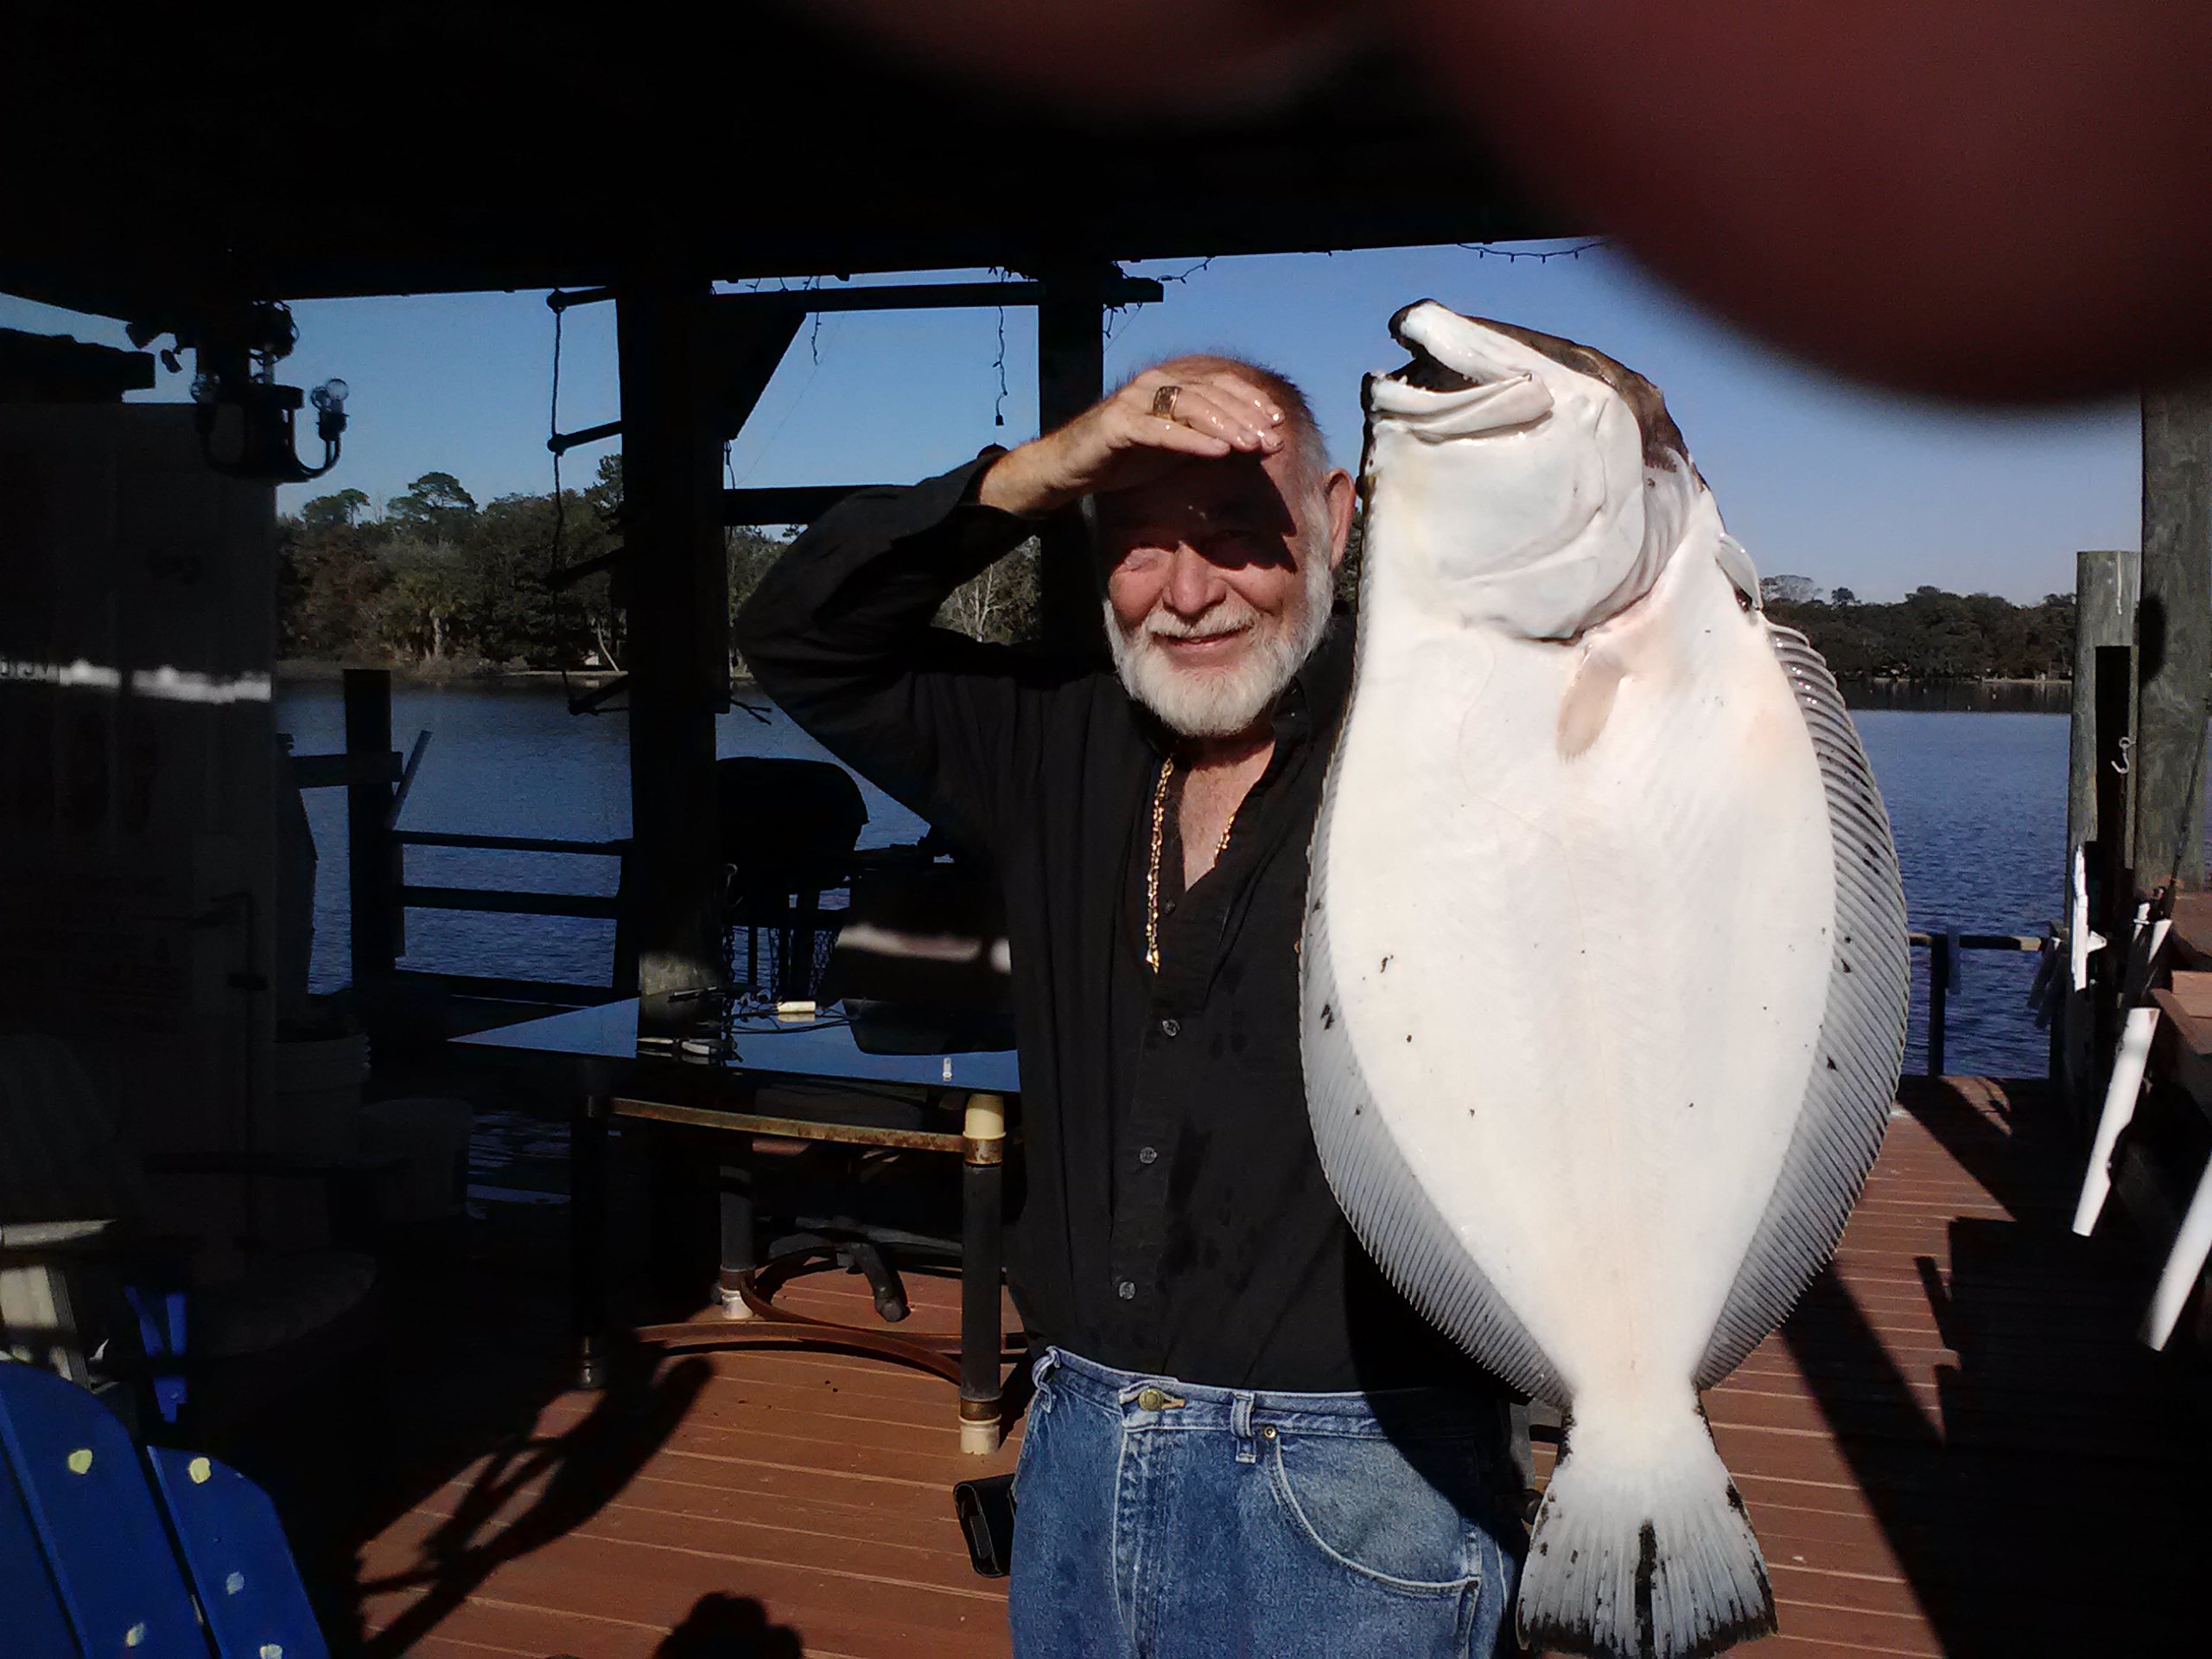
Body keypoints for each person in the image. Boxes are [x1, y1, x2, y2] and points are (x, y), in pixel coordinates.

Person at [733, 357, 1524, 1658]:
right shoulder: (1051, 739)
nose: (1187, 590)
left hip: (1367, 1471)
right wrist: (1041, 469)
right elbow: (800, 632)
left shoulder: (1458, 745)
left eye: (1232, 534)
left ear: (1335, 517)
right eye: (1137, 540)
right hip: (1084, 1443)